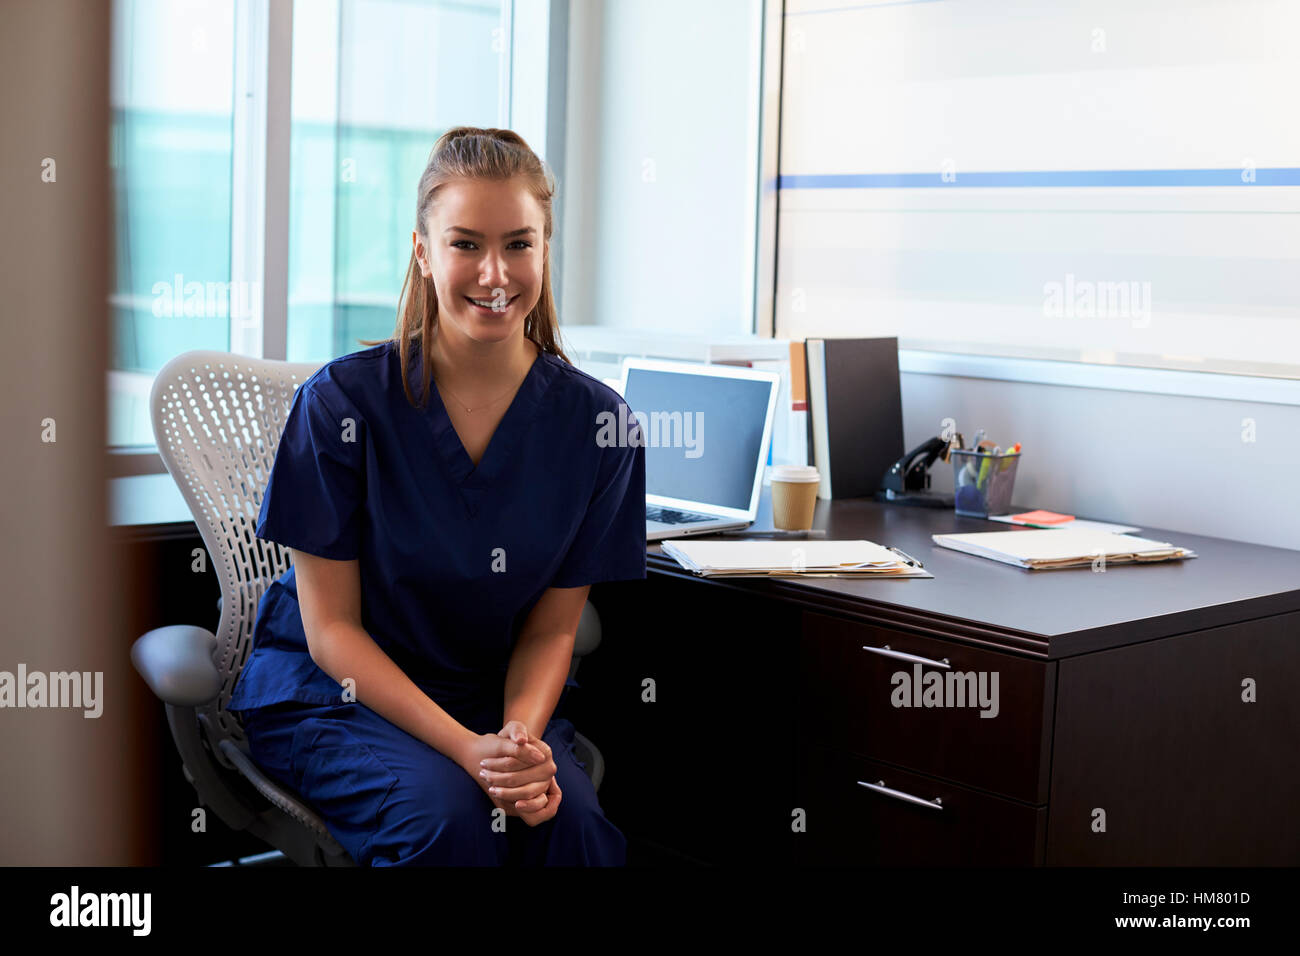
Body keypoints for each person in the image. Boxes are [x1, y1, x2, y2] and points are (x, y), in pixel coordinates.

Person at [226, 127, 646, 866]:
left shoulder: (599, 427)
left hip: (490, 696)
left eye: (519, 244)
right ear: (423, 253)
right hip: (338, 694)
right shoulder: (342, 406)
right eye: (465, 244)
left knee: (570, 827)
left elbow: (552, 631)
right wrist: (467, 750)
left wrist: (515, 741)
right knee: (448, 823)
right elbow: (332, 634)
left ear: (546, 250)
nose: (495, 272)